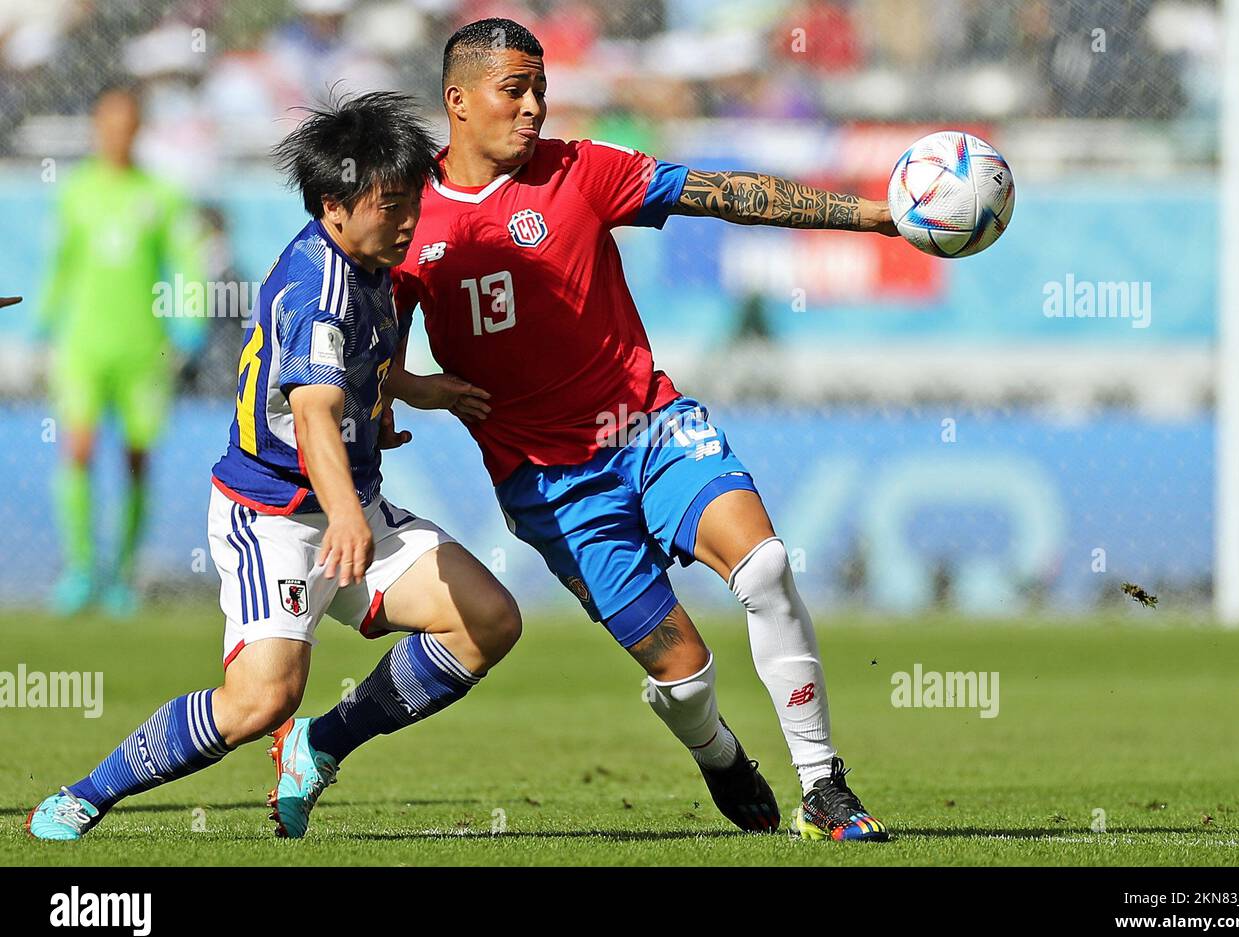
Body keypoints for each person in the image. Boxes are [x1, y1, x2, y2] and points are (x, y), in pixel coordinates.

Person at [385, 19, 900, 842]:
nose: (532, 109)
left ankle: (824, 787)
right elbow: (378, 353)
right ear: (457, 100)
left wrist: (870, 215)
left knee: (764, 567)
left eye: (540, 90)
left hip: (650, 427)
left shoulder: (583, 170)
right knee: (683, 672)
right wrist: (414, 392)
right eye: (512, 91)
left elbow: (727, 195)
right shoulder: (410, 218)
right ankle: (720, 753)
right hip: (547, 481)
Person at [26, 91, 520, 842]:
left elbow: (358, 370)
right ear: (334, 205)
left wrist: (413, 389)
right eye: (392, 206)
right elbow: (315, 411)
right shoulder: (319, 291)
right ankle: (86, 794)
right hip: (277, 517)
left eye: (413, 201)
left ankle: (320, 747)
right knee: (260, 701)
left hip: (348, 504)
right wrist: (349, 514)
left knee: (487, 621)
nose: (410, 220)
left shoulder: (367, 257)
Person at [38, 81, 207, 617]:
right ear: (96, 127)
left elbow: (187, 263)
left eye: (126, 124)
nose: (116, 134)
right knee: (79, 449)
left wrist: (190, 327)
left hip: (142, 347)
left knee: (136, 458)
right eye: (107, 124)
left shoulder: (160, 195)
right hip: (83, 345)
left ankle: (124, 574)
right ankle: (81, 568)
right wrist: (39, 326)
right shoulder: (75, 192)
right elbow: (60, 268)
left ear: (138, 129)